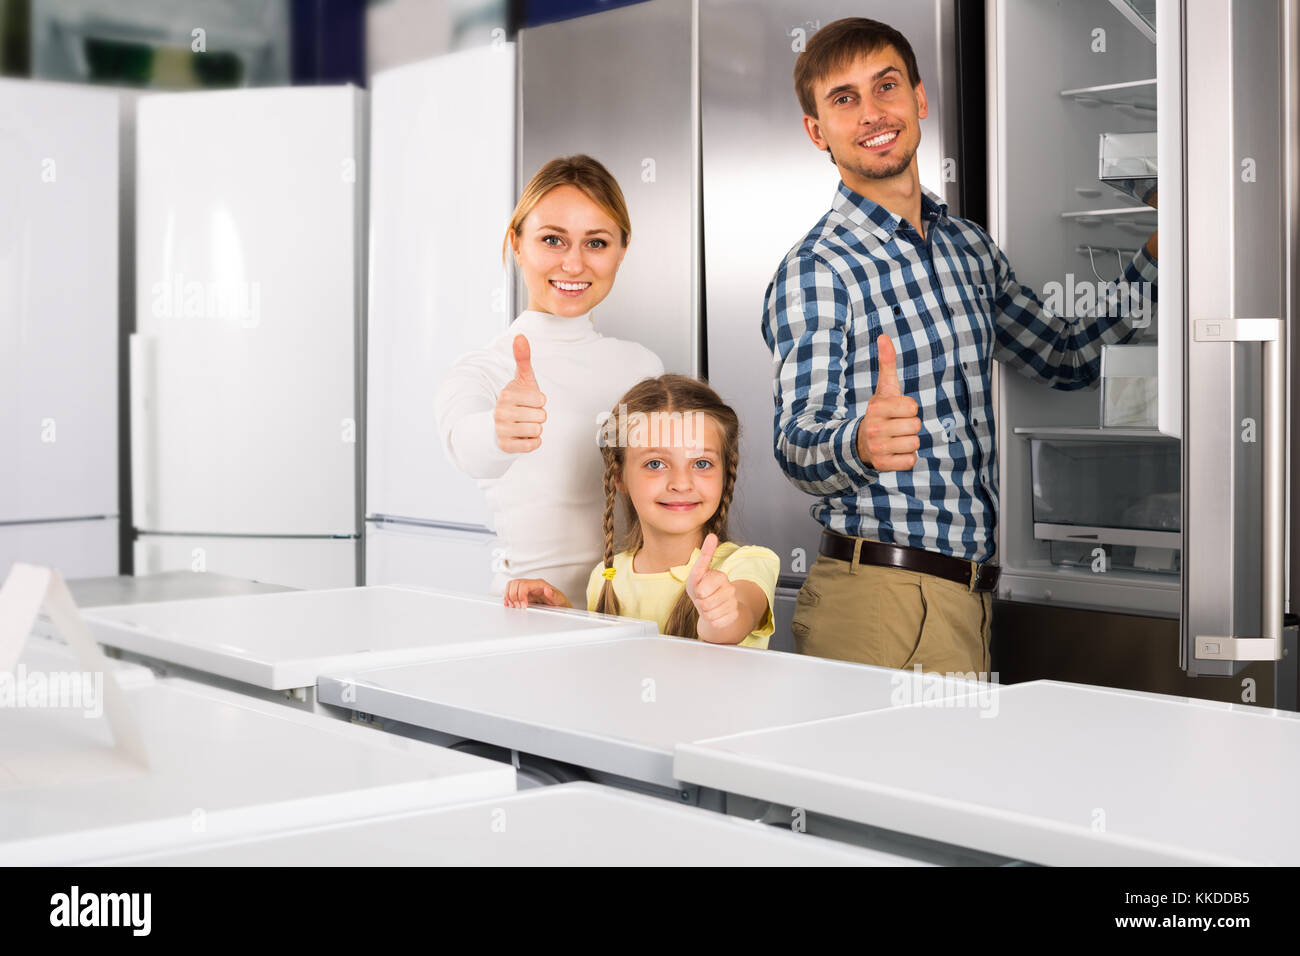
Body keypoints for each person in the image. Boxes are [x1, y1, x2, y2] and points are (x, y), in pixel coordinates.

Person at [762, 18, 1158, 674]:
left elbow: (1064, 358)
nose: (871, 113)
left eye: (885, 86)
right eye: (844, 99)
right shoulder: (818, 268)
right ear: (816, 132)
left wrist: (1154, 259)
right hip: (880, 601)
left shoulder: (966, 246)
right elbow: (797, 441)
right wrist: (858, 442)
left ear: (919, 98)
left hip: (963, 597)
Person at [435, 156, 663, 602]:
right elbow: (467, 445)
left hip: (634, 621)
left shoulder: (644, 368)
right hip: (530, 619)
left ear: (622, 249)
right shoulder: (483, 370)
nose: (574, 264)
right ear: (517, 244)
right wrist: (500, 432)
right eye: (553, 240)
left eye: (595, 243)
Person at [504, 375, 779, 649]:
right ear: (619, 476)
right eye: (656, 463)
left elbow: (735, 622)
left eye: (702, 463)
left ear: (725, 471)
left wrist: (720, 614)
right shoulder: (605, 576)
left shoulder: (747, 564)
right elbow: (609, 666)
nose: (681, 483)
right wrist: (564, 616)